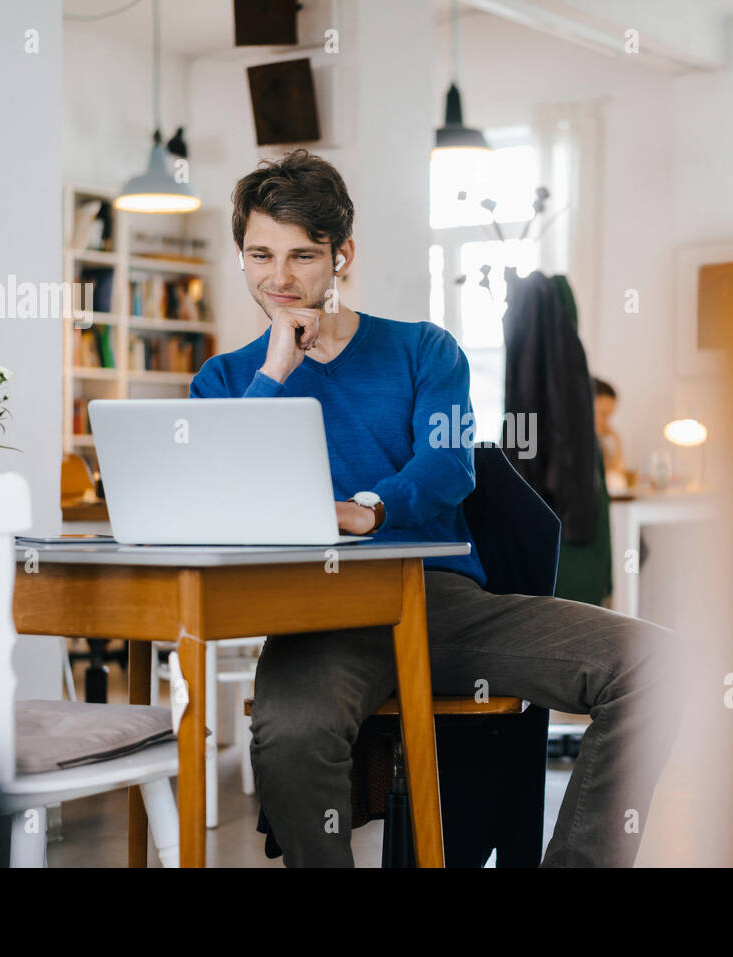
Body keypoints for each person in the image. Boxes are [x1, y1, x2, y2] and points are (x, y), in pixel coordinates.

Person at [190, 148, 689, 867]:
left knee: (656, 662)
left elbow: (450, 464)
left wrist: (370, 507)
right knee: (291, 733)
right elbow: (226, 498)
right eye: (260, 254)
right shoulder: (226, 380)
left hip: (439, 601)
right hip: (315, 614)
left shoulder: (425, 350)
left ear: (342, 256)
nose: (280, 277)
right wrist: (275, 372)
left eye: (303, 255)